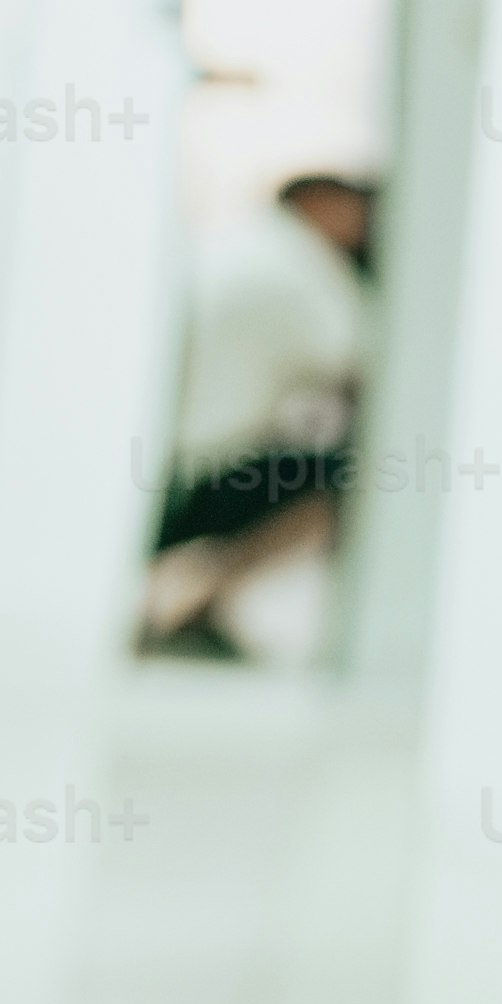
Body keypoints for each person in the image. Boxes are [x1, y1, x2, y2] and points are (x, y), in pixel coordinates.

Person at [139, 171, 376, 657]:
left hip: (161, 463)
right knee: (369, 478)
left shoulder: (242, 243)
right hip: (187, 478)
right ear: (320, 201)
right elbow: (380, 384)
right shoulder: (302, 265)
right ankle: (193, 595)